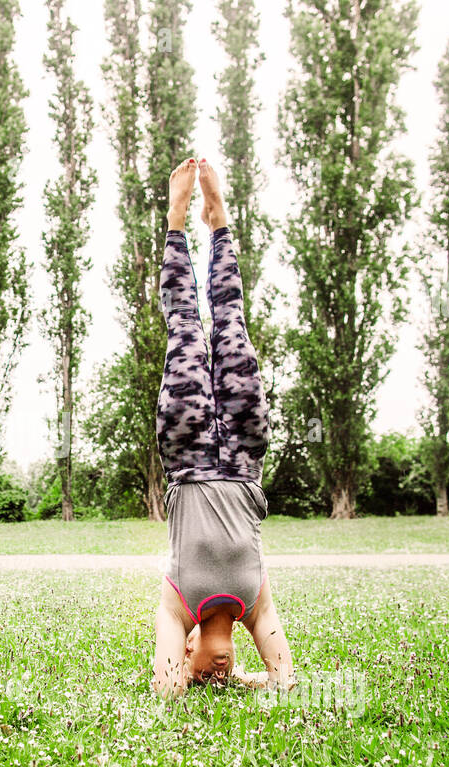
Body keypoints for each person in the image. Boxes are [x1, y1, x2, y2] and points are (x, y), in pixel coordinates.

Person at [151, 157, 296, 697]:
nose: (213, 670)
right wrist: (239, 680)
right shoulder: (255, 603)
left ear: (184, 649)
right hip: (246, 456)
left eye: (200, 671)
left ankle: (176, 221)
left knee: (185, 328)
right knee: (232, 323)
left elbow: (167, 691)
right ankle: (220, 225)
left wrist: (188, 678)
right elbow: (283, 681)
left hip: (187, 454)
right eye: (222, 672)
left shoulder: (176, 603)